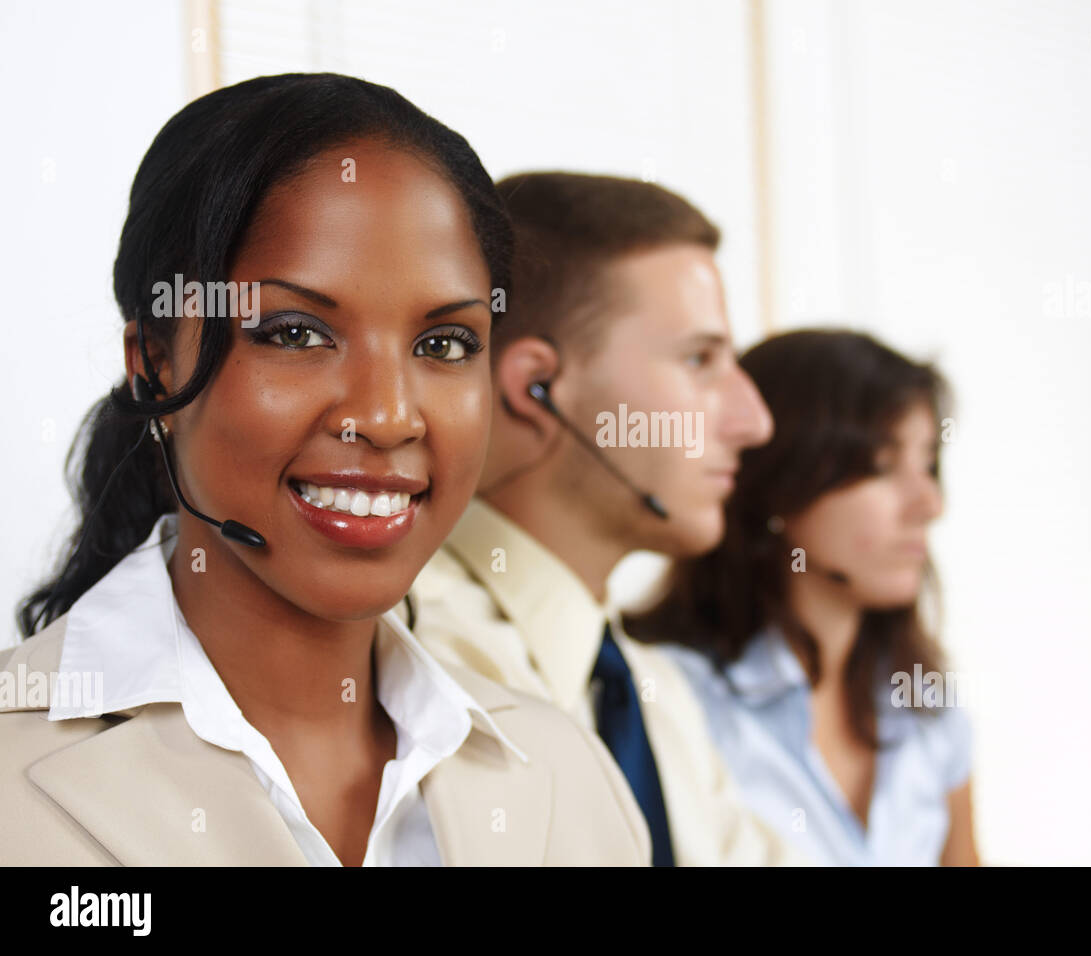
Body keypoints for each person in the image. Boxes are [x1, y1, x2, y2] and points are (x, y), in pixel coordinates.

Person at [2, 74, 648, 866]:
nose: (385, 416)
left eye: (444, 344)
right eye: (296, 333)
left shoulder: (569, 779)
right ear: (155, 372)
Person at [404, 171, 804, 866]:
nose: (755, 420)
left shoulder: (659, 695)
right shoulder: (404, 658)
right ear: (538, 389)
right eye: (700, 360)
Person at [625, 329, 980, 866]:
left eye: (928, 464)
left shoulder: (924, 703)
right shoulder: (667, 701)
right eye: (882, 468)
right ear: (780, 483)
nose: (929, 502)